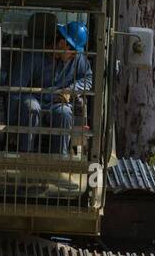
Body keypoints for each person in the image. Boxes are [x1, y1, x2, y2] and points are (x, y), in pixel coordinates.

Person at [7, 20, 92, 156]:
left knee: (65, 113)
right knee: (32, 108)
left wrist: (70, 90)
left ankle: (60, 159)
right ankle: (25, 156)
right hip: (33, 99)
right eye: (73, 51)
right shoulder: (33, 55)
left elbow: (88, 78)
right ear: (62, 42)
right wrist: (10, 127)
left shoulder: (77, 59)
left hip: (56, 103)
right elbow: (15, 89)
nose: (74, 55)